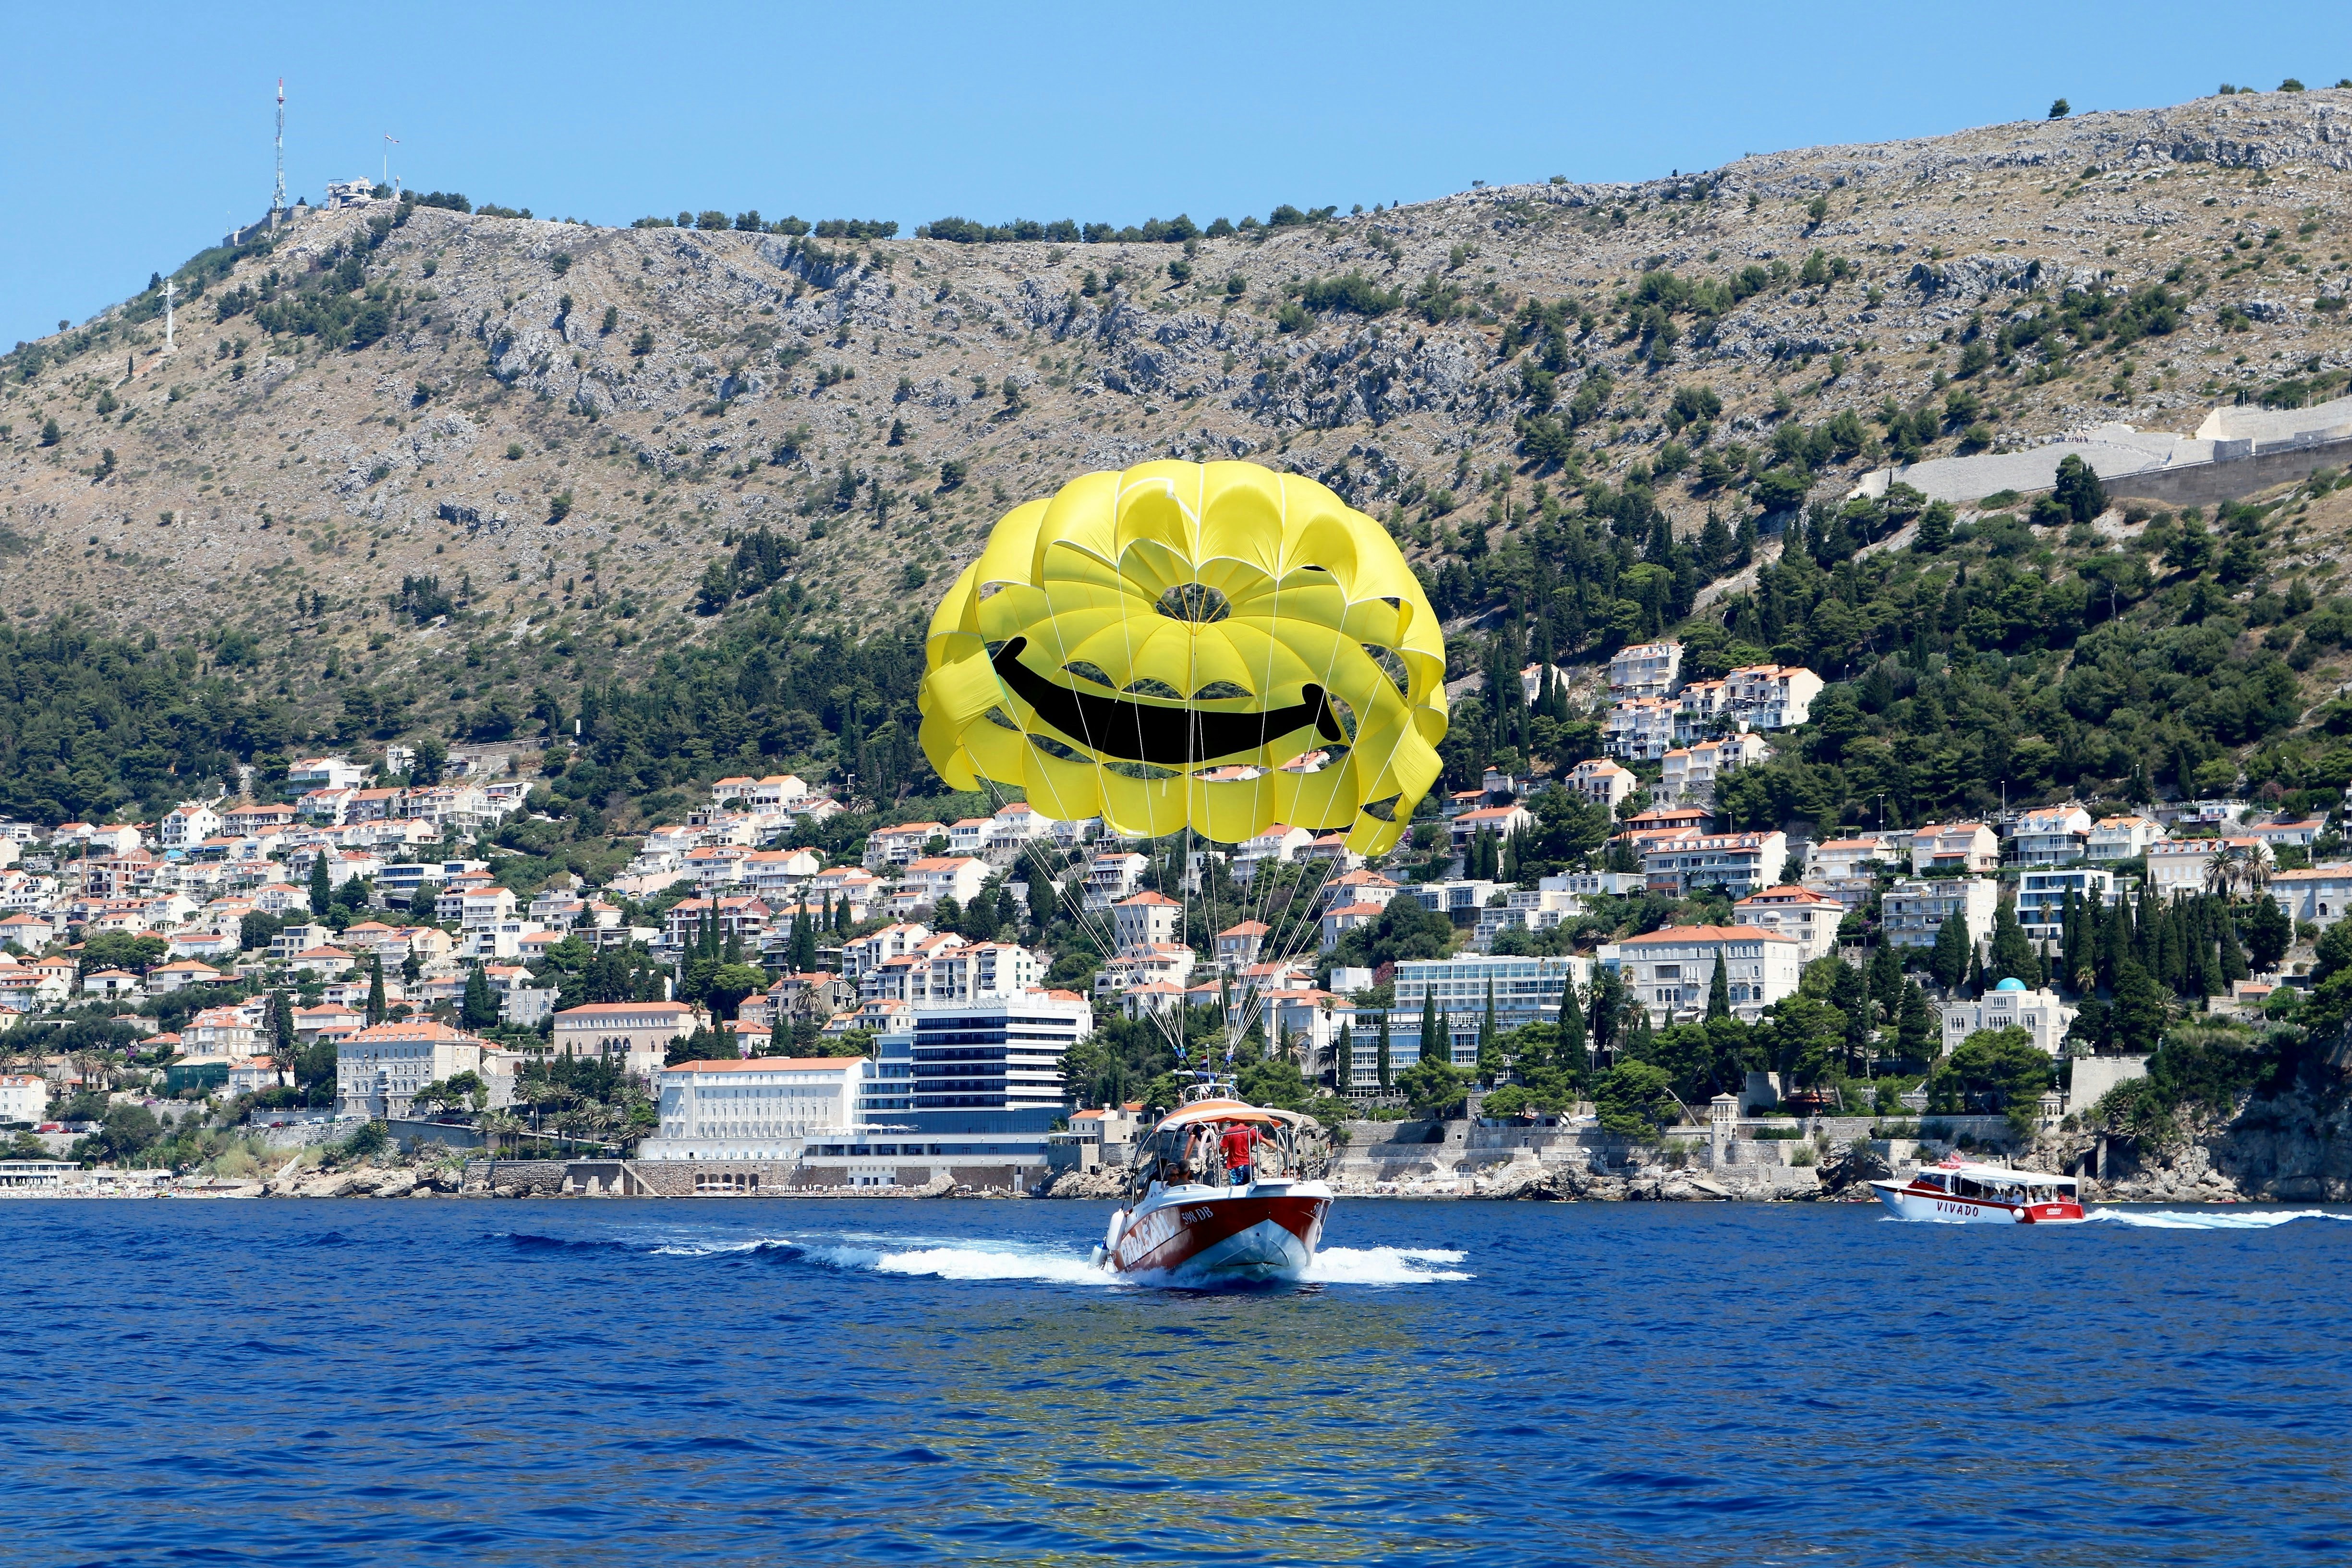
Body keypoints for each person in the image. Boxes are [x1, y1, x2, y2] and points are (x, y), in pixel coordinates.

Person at [1219, 1119, 1264, 1187]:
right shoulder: (1252, 1131)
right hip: (1248, 1164)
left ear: (1236, 1121)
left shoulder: (1230, 1131)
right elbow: (1267, 1142)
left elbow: (1223, 1151)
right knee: (1250, 1187)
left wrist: (1218, 1150)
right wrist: (1281, 1149)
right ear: (1245, 1121)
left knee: (1237, 1188)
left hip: (1234, 1165)